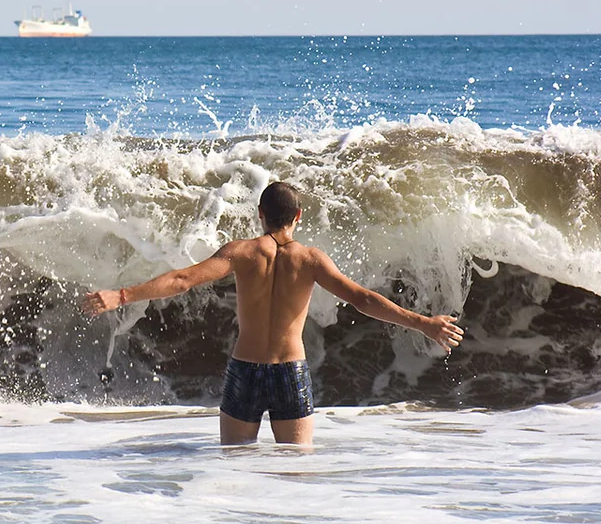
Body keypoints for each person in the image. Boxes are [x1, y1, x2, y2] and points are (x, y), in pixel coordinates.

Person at [82, 182, 464, 445]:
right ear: (298, 216)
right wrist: (423, 323)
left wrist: (121, 294)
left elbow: (183, 280)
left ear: (260, 214)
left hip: (244, 370)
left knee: (233, 468)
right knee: (295, 475)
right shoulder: (310, 260)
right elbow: (362, 299)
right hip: (289, 372)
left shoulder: (242, 252)